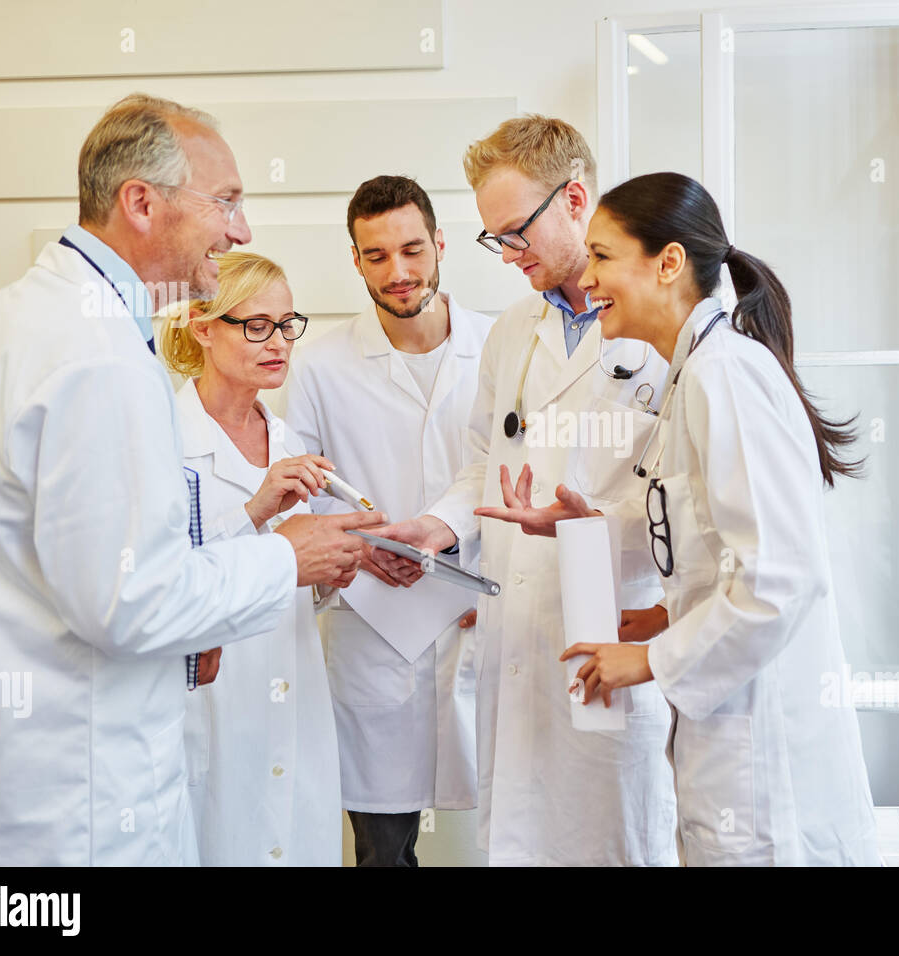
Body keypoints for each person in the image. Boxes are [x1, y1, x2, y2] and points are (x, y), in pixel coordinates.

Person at [0, 94, 373, 866]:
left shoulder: (9, 318)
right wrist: (286, 556)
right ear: (141, 202)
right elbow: (127, 600)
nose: (241, 229)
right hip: (82, 805)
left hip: (17, 782)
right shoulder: (96, 353)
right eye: (226, 202)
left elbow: (74, 569)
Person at [489, 171, 881, 866]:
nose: (591, 276)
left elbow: (781, 580)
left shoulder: (723, 373)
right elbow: (709, 535)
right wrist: (664, 611)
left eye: (605, 256)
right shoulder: (696, 370)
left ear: (669, 264)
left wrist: (648, 658)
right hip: (728, 743)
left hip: (765, 762)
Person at [367, 116, 678, 866]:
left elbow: (685, 505)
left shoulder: (659, 331)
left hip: (609, 620)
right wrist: (440, 527)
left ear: (576, 199)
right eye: (493, 239)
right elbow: (484, 458)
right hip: (517, 636)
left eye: (516, 233)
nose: (506, 255)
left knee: (617, 837)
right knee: (522, 840)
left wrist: (592, 523)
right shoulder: (513, 329)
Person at [285, 176, 489, 866]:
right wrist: (363, 549)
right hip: (372, 627)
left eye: (411, 250)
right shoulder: (316, 366)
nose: (398, 273)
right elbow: (298, 496)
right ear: (355, 260)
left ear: (439, 244)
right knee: (381, 851)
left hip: (482, 618)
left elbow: (522, 474)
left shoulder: (503, 347)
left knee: (519, 828)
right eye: (376, 256)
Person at [160, 251, 353, 866]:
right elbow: (156, 582)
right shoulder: (164, 437)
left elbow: (293, 575)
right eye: (257, 326)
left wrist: (338, 566)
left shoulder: (289, 438)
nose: (279, 343)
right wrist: (254, 510)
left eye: (287, 323)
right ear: (203, 326)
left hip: (292, 693)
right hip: (210, 700)